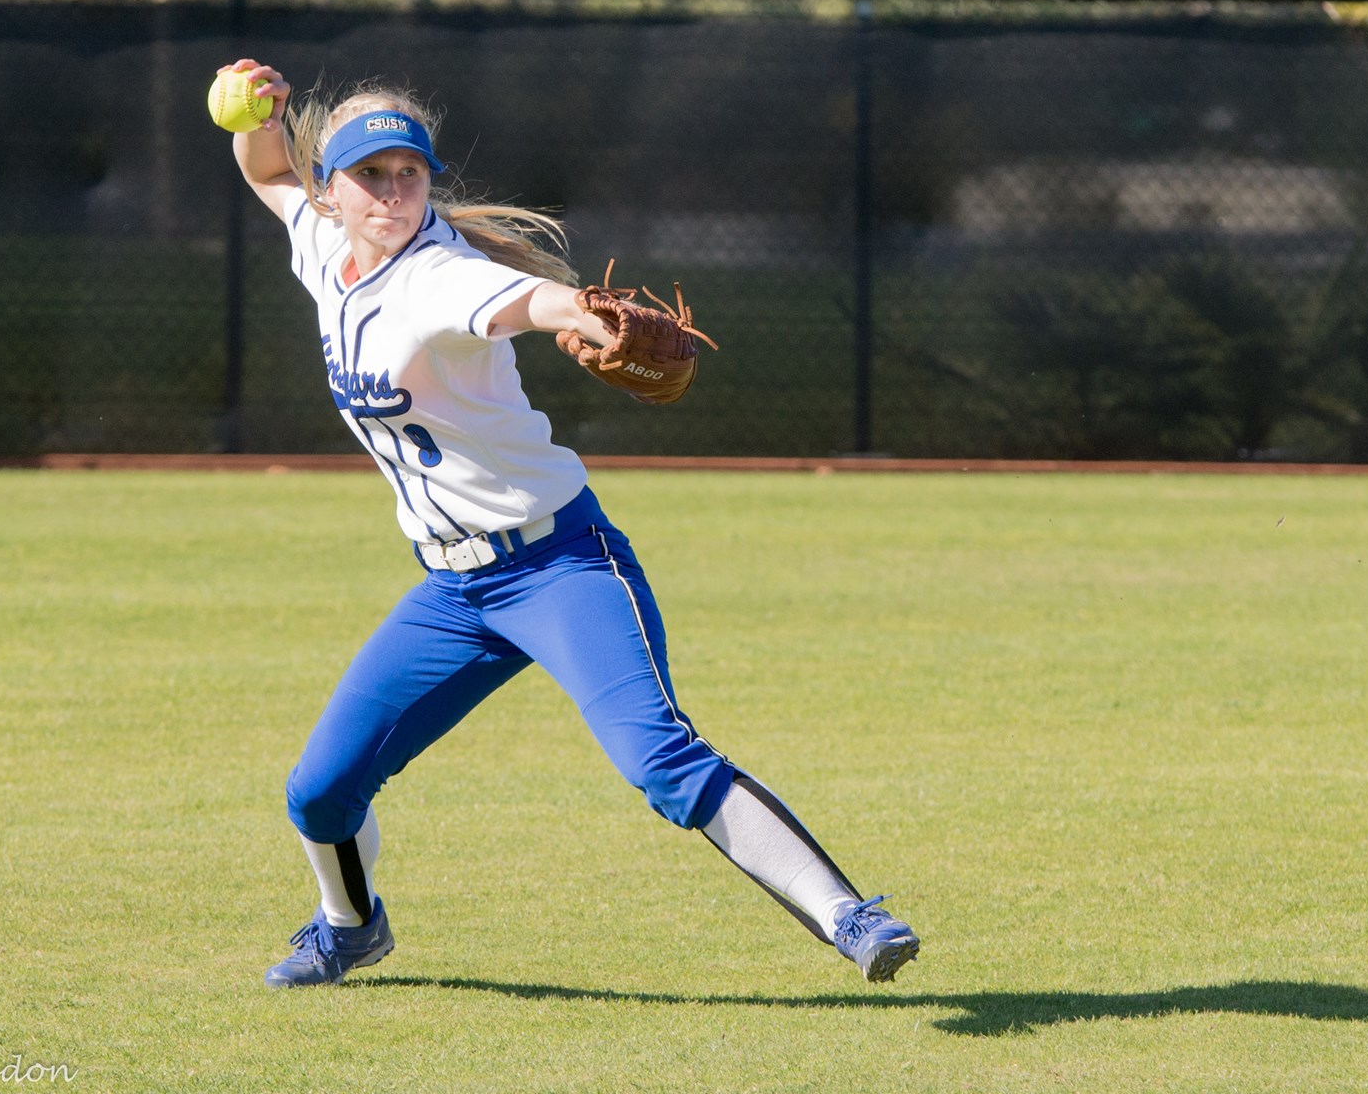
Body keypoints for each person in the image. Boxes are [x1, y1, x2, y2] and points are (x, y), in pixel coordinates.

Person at [222, 58, 920, 989]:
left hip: (558, 565)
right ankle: (350, 926)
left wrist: (577, 312)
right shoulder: (321, 241)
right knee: (318, 792)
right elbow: (267, 171)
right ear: (335, 191)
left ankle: (853, 918)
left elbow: (523, 300)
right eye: (370, 176)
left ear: (428, 181)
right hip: (454, 590)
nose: (392, 192)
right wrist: (253, 110)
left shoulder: (439, 276)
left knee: (660, 762)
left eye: (409, 173)